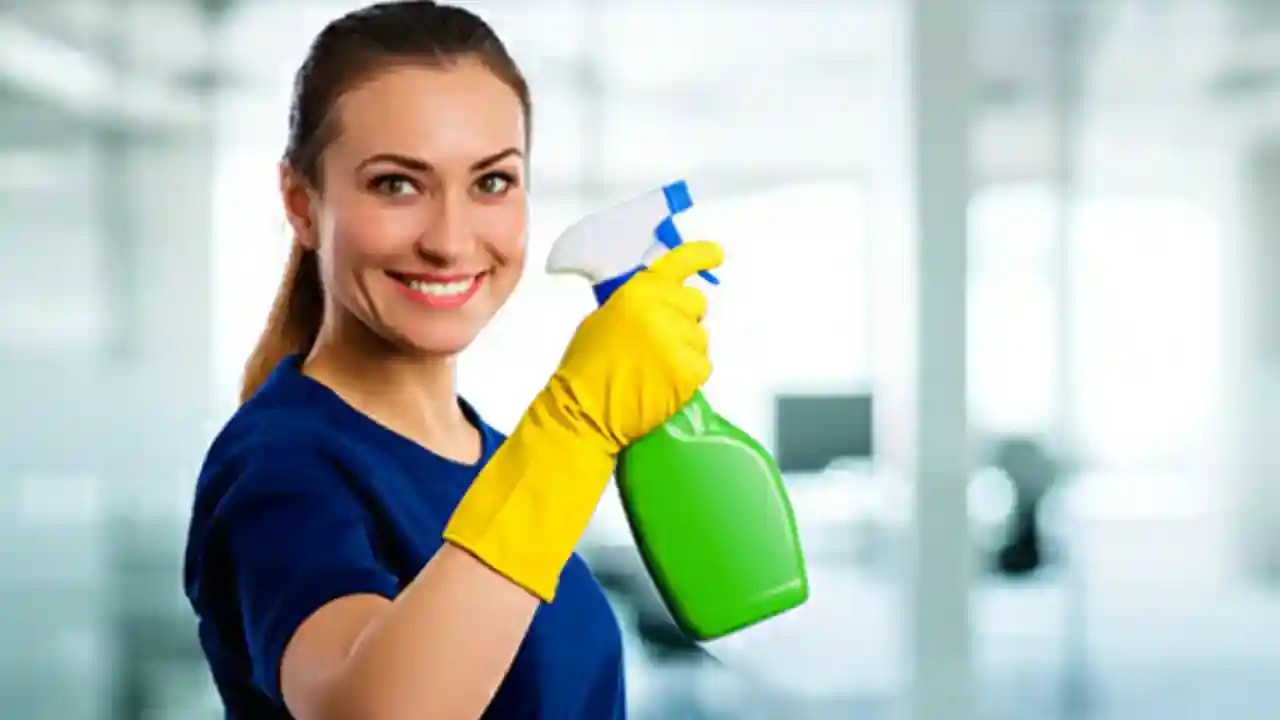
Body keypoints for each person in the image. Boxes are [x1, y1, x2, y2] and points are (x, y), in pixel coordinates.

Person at [180, 2, 723, 718]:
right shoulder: (281, 467)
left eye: (491, 181)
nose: (450, 239)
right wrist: (579, 425)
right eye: (397, 184)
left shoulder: (502, 465)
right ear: (302, 203)